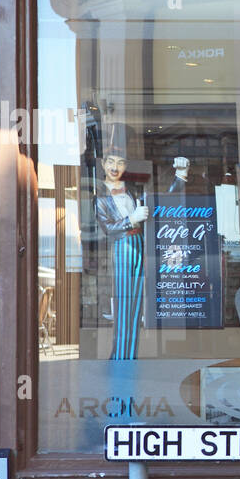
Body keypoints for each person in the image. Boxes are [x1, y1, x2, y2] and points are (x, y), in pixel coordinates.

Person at [94, 150, 190, 360]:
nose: (115, 167)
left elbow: (161, 207)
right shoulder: (100, 198)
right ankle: (119, 358)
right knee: (124, 306)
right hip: (122, 246)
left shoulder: (133, 192)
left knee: (135, 307)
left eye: (120, 162)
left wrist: (180, 176)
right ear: (103, 164)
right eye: (111, 162)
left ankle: (128, 357)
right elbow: (108, 228)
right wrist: (131, 219)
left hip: (138, 245)